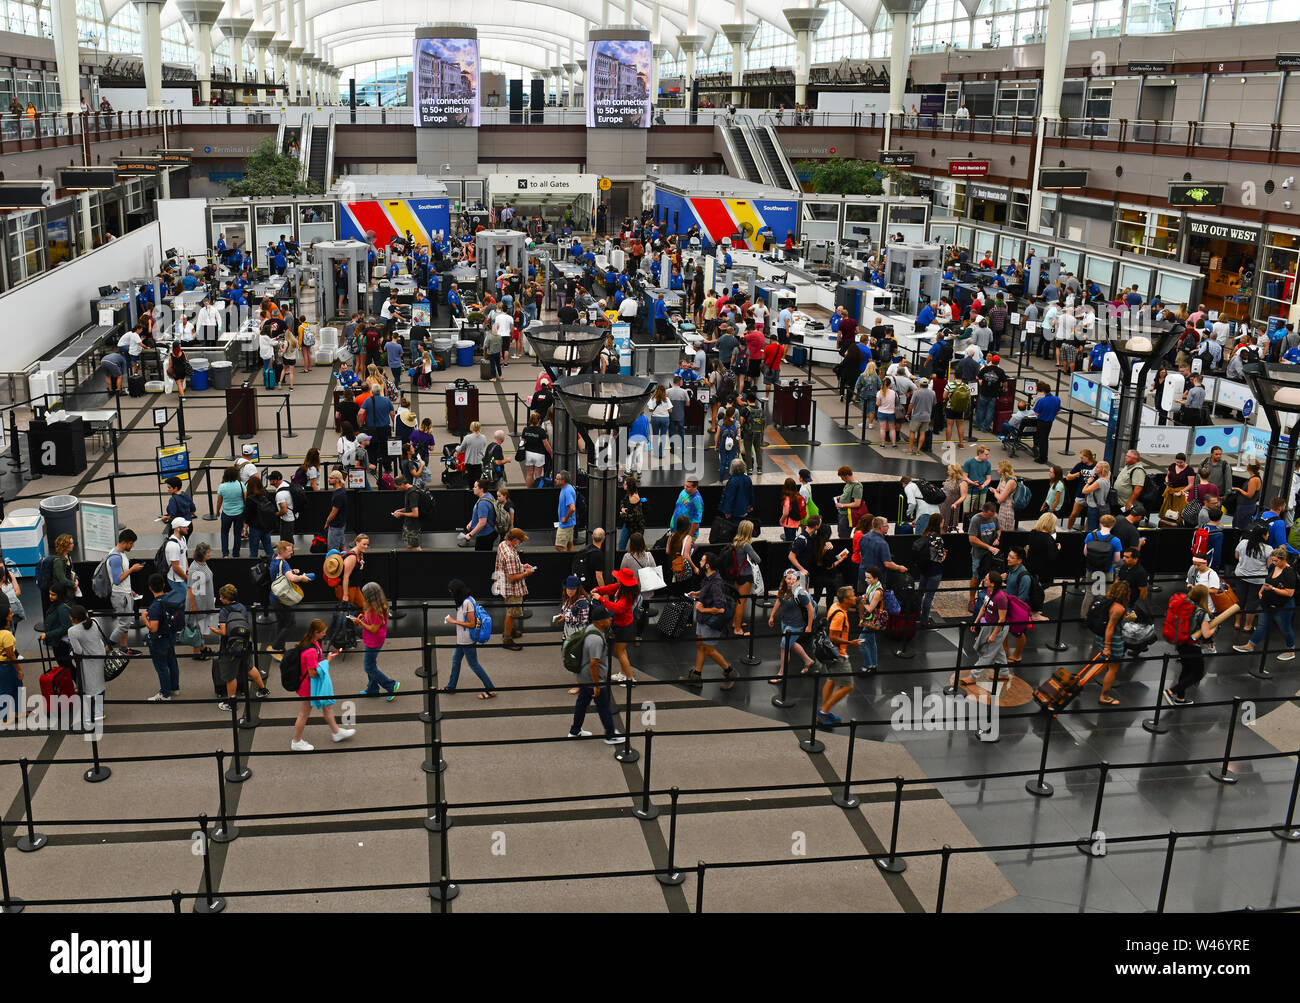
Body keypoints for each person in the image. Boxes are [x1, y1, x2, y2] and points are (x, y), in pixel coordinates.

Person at [289, 619, 356, 751]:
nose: (325, 634)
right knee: (303, 714)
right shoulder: (311, 651)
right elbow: (312, 673)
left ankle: (336, 732)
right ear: (316, 632)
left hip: (312, 684)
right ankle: (296, 741)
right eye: (323, 632)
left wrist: (325, 660)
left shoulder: (312, 642)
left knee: (327, 708)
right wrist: (328, 661)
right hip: (309, 687)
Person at [566, 601, 625, 744]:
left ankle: (575, 731)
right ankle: (610, 735)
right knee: (604, 706)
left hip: (583, 676)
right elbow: (594, 663)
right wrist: (597, 685)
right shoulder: (596, 639)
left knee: (582, 703)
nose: (610, 619)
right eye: (607, 617)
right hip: (593, 679)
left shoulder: (590, 629)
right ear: (600, 621)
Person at [1166, 585, 1234, 706]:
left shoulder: (1184, 606)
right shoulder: (1202, 612)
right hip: (1192, 645)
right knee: (1197, 673)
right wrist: (1216, 626)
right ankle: (1172, 691)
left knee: (1186, 670)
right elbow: (1206, 634)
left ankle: (1180, 698)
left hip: (1180, 642)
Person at [1232, 547, 1296, 662]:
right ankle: (1250, 645)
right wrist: (1261, 591)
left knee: (1285, 628)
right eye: (1273, 560)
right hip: (1267, 603)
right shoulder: (1273, 566)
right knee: (1262, 625)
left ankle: (1291, 650)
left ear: (1283, 559)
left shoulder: (1289, 572)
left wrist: (1273, 589)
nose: (1274, 563)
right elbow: (1267, 581)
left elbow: (1289, 593)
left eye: (1276, 561)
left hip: (1283, 605)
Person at [211, 584, 269, 710]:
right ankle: (263, 690)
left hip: (230, 647)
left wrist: (214, 630)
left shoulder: (224, 611)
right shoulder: (242, 607)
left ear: (226, 599)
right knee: (249, 667)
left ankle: (231, 703)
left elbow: (224, 632)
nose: (220, 598)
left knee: (230, 676)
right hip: (245, 643)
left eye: (222, 597)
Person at [351, 582, 400, 700]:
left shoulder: (376, 610)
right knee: (371, 664)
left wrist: (361, 623)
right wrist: (363, 617)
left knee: (369, 667)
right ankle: (373, 689)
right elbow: (370, 620)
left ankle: (391, 685)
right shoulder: (373, 606)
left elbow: (374, 629)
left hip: (374, 642)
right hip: (371, 640)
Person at [592, 568, 641, 684]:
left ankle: (630, 679)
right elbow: (610, 588)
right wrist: (598, 590)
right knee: (622, 651)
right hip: (623, 624)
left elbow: (617, 608)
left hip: (625, 627)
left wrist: (601, 599)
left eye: (619, 578)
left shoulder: (627, 596)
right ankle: (624, 674)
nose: (617, 579)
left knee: (620, 652)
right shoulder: (622, 588)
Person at [1090, 581, 1132, 705]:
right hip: (1112, 640)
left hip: (1099, 636)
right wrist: (1107, 646)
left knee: (1103, 662)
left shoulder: (1105, 601)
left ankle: (1080, 683)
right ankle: (1104, 696)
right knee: (1113, 668)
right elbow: (1110, 627)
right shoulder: (1119, 608)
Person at [142, 575, 183, 702]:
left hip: (158, 640)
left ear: (150, 588)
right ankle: (174, 688)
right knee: (172, 663)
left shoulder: (155, 606)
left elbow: (153, 628)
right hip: (170, 636)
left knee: (162, 667)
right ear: (164, 585)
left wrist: (144, 617)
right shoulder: (170, 600)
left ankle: (165, 694)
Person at [495, 529, 535, 650]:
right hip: (512, 588)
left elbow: (508, 567)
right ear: (515, 540)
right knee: (511, 613)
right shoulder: (511, 555)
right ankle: (507, 639)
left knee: (510, 610)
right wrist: (527, 573)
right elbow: (512, 578)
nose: (521, 543)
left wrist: (521, 566)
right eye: (520, 541)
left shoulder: (503, 544)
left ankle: (510, 631)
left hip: (504, 585)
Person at [66, 605, 107, 722]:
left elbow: (78, 651)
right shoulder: (94, 621)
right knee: (100, 684)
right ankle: (99, 711)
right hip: (100, 655)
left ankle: (91, 713)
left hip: (88, 661)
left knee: (86, 686)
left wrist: (71, 648)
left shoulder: (72, 631)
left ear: (74, 618)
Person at [967, 501, 1002, 611]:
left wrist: (997, 538)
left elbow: (998, 529)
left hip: (990, 553)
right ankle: (971, 599)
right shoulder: (976, 520)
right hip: (978, 553)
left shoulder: (994, 517)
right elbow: (972, 538)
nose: (991, 517)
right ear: (983, 511)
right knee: (976, 575)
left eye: (993, 515)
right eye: (989, 515)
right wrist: (988, 547)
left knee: (989, 575)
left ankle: (987, 597)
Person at [185, 543, 216, 662]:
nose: (210, 554)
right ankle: (198, 653)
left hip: (205, 601)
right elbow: (190, 589)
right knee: (199, 629)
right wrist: (193, 606)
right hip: (199, 604)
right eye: (208, 552)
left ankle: (201, 649)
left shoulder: (203, 564)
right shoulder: (195, 569)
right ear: (202, 554)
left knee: (203, 629)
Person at [217, 466, 246, 558]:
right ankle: (236, 553)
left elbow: (219, 501)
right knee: (237, 533)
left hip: (226, 513)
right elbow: (245, 499)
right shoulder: (241, 485)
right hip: (239, 513)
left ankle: (225, 553)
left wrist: (217, 511)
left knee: (224, 532)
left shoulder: (222, 486)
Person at [269, 471, 296, 543]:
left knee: (286, 541)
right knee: (288, 539)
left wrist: (275, 514)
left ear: (275, 481)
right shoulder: (285, 483)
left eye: (270, 479)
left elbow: (284, 510)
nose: (269, 481)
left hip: (287, 520)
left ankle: (289, 553)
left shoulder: (280, 494)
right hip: (293, 515)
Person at [555, 469, 578, 552]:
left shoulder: (567, 491)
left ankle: (566, 562)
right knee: (569, 543)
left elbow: (572, 508)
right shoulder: (566, 488)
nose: (555, 480)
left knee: (559, 546)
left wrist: (565, 519)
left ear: (563, 481)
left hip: (566, 525)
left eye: (557, 479)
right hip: (570, 523)